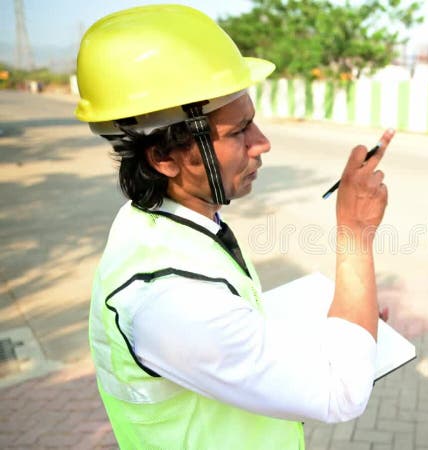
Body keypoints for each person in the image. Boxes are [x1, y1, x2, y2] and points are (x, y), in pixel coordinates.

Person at [77, 4, 393, 449]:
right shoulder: (167, 300)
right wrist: (355, 231)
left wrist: (345, 323)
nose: (262, 143)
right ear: (164, 157)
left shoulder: (164, 224)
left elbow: (229, 332)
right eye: (239, 130)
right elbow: (341, 392)